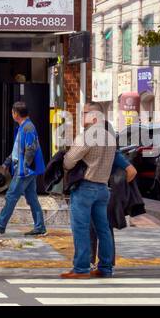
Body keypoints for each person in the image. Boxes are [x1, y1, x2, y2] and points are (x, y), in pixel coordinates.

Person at [62, 103, 117, 278]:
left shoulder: (88, 135)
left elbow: (69, 161)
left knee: (81, 228)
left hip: (85, 187)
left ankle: (81, 268)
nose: (82, 117)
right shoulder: (111, 137)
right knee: (104, 229)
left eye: (85, 114)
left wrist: (64, 161)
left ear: (94, 118)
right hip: (103, 188)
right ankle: (106, 267)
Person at [0, 101, 47, 236]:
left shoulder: (28, 128)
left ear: (15, 113)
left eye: (12, 112)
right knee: (32, 198)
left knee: (11, 195)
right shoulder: (23, 127)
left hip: (24, 170)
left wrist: (23, 167)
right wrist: (7, 162)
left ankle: (0, 225)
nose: (11, 114)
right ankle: (40, 226)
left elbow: (30, 149)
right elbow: (17, 150)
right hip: (26, 169)